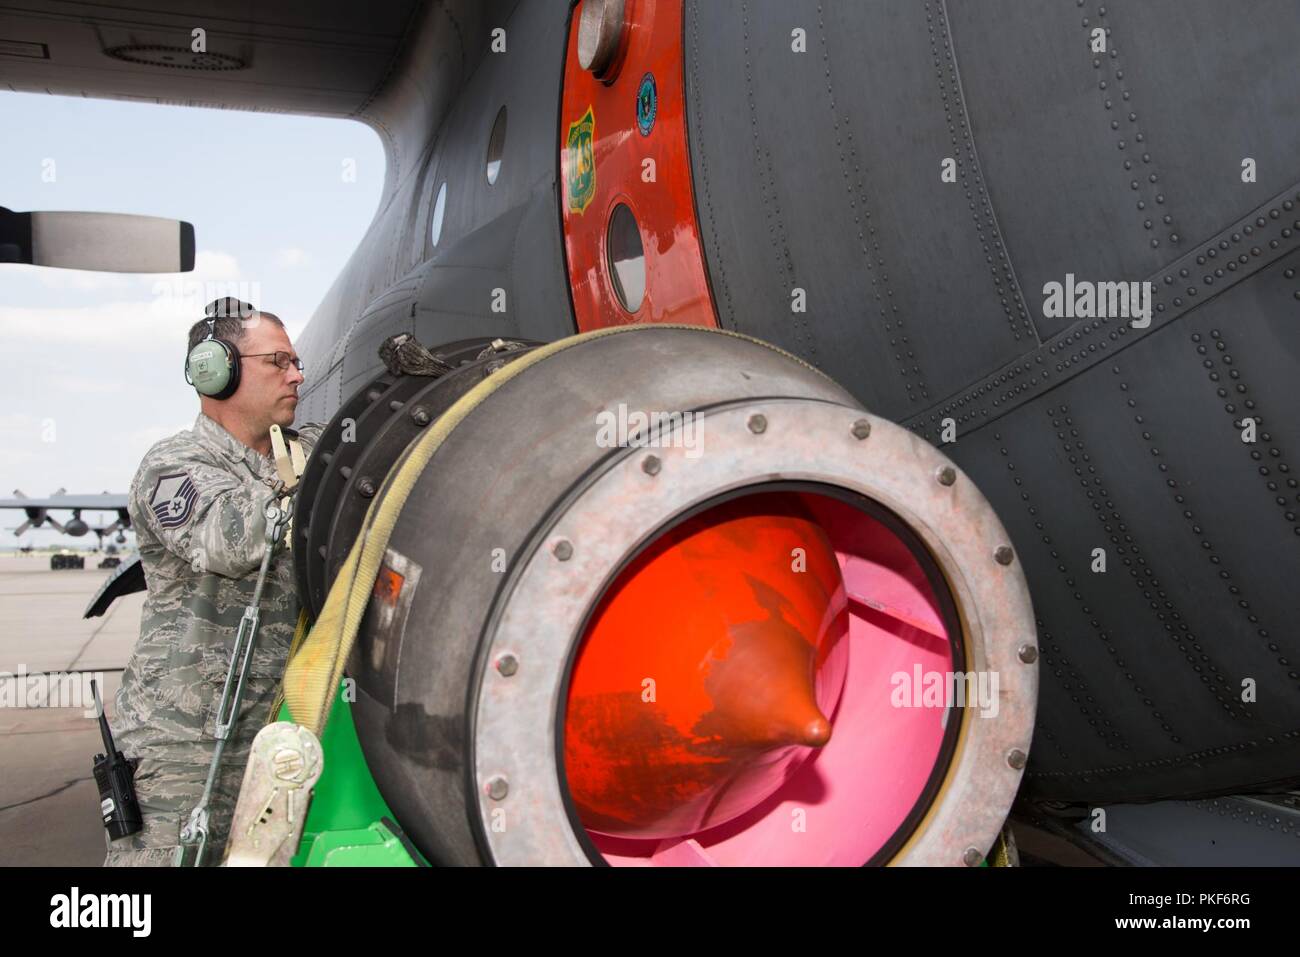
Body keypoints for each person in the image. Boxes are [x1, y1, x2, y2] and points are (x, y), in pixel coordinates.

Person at [104, 298, 324, 866]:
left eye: (297, 361)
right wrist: (338, 472)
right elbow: (231, 539)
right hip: (186, 743)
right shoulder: (175, 465)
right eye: (279, 361)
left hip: (283, 734)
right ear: (215, 371)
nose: (298, 375)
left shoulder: (308, 454)